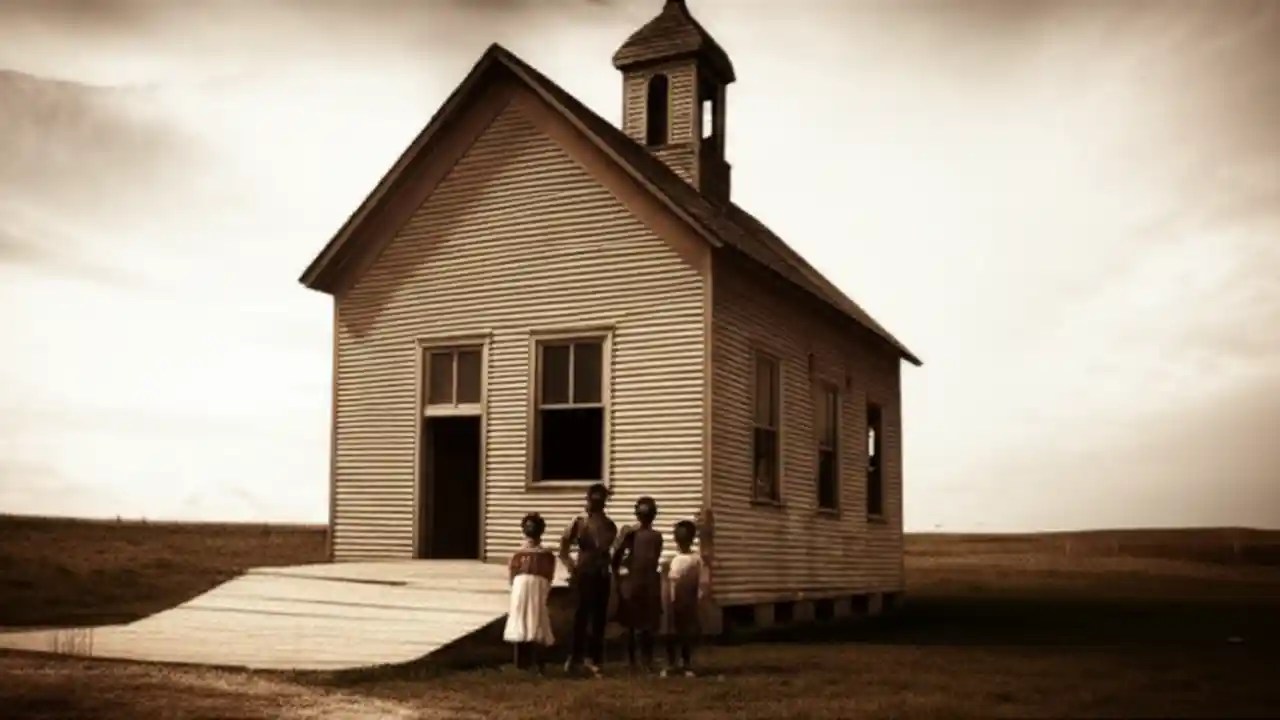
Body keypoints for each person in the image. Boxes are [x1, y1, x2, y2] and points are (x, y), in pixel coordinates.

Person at [558, 482, 617, 676]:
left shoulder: (610, 526)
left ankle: (595, 658)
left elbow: (607, 549)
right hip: (583, 572)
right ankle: (575, 657)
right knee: (581, 616)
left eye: (598, 500)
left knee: (599, 617)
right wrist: (571, 566)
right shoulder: (579, 522)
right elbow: (564, 547)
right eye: (591, 499)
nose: (592, 503)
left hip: (601, 573)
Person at [611, 496, 664, 672]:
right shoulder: (630, 534)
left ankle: (646, 660)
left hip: (648, 581)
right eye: (642, 512)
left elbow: (652, 558)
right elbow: (616, 556)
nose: (645, 516)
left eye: (648, 513)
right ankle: (632, 660)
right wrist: (619, 575)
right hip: (633, 581)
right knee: (632, 624)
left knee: (647, 624)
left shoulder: (656, 536)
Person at [504, 513, 557, 672]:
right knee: (520, 618)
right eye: (528, 526)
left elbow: (548, 574)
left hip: (537, 587)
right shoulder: (518, 554)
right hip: (521, 587)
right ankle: (521, 661)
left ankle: (538, 661)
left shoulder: (546, 554)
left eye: (533, 526)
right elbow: (513, 574)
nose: (530, 529)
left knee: (537, 618)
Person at [661, 519, 710, 678]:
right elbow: (668, 581)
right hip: (671, 601)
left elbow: (703, 581)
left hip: (687, 601)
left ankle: (686, 663)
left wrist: (699, 598)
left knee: (686, 633)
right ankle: (670, 664)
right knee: (670, 633)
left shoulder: (696, 559)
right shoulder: (672, 559)